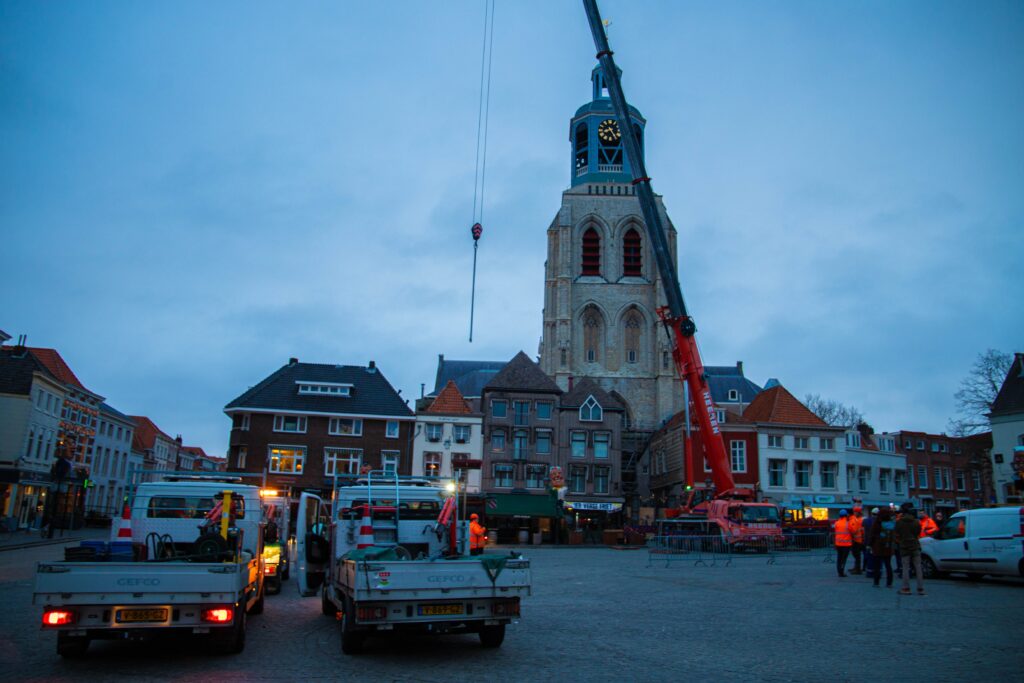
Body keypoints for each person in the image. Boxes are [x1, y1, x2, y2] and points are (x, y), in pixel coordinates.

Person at [894, 503, 925, 595]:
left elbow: (896, 534)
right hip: (915, 545)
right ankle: (920, 588)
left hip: (904, 546)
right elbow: (918, 533)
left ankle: (906, 588)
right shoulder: (916, 522)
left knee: (905, 568)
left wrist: (901, 541)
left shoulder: (899, 522)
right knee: (918, 567)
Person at [868, 507, 895, 588]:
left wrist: (870, 544)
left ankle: (876, 582)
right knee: (888, 565)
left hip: (878, 547)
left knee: (877, 565)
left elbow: (872, 535)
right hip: (888, 547)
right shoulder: (891, 523)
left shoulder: (877, 523)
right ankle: (889, 583)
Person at [833, 509, 853, 577]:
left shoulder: (837, 523)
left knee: (839, 558)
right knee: (843, 559)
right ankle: (841, 572)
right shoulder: (848, 523)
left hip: (838, 544)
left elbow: (836, 533)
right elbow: (853, 531)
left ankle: (839, 571)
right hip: (846, 545)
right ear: (846, 515)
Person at [848, 507, 865, 574]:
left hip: (857, 540)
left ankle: (857, 569)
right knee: (856, 555)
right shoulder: (859, 519)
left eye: (855, 512)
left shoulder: (857, 520)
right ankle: (856, 568)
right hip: (858, 539)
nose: (854, 513)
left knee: (857, 555)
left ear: (858, 512)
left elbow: (855, 530)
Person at [863, 507, 878, 579]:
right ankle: (877, 572)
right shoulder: (879, 522)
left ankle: (869, 572)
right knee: (877, 558)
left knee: (869, 557)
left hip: (868, 542)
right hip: (877, 543)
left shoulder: (866, 521)